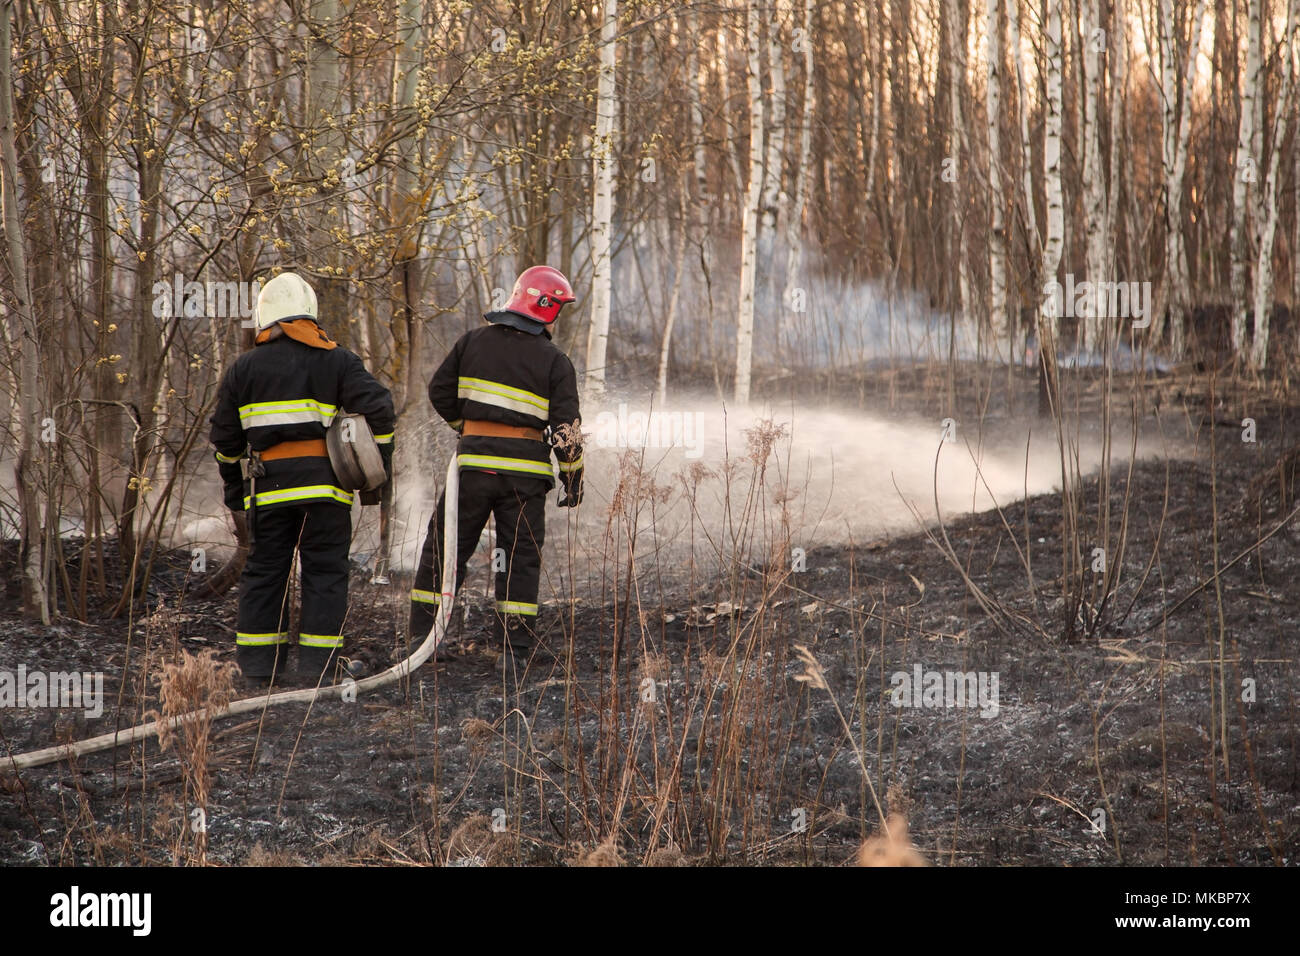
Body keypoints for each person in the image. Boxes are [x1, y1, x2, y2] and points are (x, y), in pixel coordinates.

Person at [210, 272, 395, 684]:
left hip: (269, 490)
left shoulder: (244, 369)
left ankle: (259, 671)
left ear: (266, 317)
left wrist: (233, 488)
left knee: (264, 573)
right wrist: (376, 464)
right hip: (327, 493)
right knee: (325, 573)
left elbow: (225, 440)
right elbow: (381, 408)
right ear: (310, 313)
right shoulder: (337, 359)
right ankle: (320, 669)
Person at [409, 265, 584, 676]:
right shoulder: (555, 361)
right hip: (524, 479)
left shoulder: (472, 342)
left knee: (444, 548)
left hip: (471, 471)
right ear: (546, 308)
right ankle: (513, 651)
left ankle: (422, 640)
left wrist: (469, 431)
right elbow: (565, 429)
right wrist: (572, 478)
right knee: (518, 558)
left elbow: (439, 392)